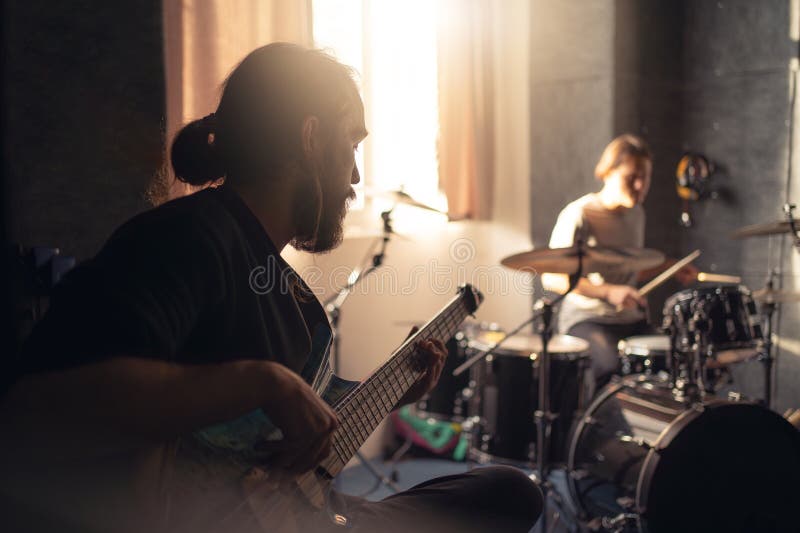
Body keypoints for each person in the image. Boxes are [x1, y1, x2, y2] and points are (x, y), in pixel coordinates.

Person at [0, 43, 542, 533]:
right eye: (351, 143)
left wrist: (391, 392)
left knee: (508, 491)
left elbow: (283, 432)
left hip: (303, 509)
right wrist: (260, 382)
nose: (355, 176)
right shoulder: (185, 238)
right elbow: (34, 412)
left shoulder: (283, 286)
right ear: (311, 138)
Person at [543, 134, 697, 391]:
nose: (640, 186)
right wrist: (608, 292)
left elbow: (628, 272)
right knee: (610, 369)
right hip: (587, 318)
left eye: (645, 177)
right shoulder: (579, 214)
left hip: (629, 320)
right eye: (631, 177)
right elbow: (552, 278)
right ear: (607, 173)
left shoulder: (637, 214)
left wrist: (671, 268)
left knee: (677, 361)